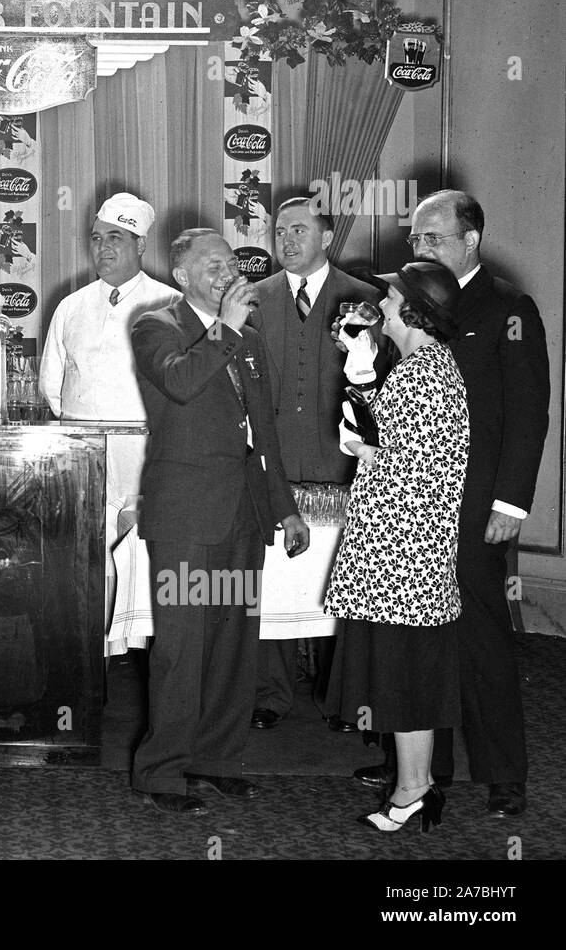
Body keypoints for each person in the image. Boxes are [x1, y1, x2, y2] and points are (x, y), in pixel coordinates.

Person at [355, 191, 549, 818]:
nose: (422, 247)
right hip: (415, 501)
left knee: (482, 636)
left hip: (475, 506)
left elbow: (528, 413)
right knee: (416, 637)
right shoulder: (406, 308)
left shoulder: (509, 307)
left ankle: (502, 772)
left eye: (434, 237)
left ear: (472, 239)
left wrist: (511, 504)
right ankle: (420, 768)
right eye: (415, 238)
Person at [130, 228, 309, 815]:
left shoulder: (250, 341)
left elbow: (265, 436)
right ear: (181, 276)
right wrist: (226, 330)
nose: (226, 270)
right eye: (211, 264)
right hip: (185, 517)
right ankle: (162, 772)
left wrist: (285, 508)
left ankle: (215, 760)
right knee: (182, 647)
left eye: (230, 261)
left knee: (235, 645)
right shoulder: (156, 326)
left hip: (242, 516)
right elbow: (180, 383)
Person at [323, 262, 468, 832]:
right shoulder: (424, 368)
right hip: (407, 553)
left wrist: (362, 437)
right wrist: (360, 377)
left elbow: (396, 461)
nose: (380, 305)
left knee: (404, 680)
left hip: (401, 555)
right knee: (408, 679)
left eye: (390, 298)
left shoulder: (421, 375)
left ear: (413, 311)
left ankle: (413, 789)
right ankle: (416, 786)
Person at [246, 196, 382, 731]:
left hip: (344, 470)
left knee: (342, 585)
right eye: (280, 231)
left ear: (327, 237)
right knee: (274, 584)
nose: (287, 240)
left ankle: (342, 697)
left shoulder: (366, 299)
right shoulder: (253, 300)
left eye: (299, 230)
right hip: (274, 465)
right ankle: (269, 693)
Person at [39, 192, 177, 543]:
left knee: (138, 561)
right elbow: (51, 385)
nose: (103, 247)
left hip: (145, 458)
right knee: (81, 553)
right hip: (80, 458)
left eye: (115, 238)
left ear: (141, 244)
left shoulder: (171, 305)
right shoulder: (70, 306)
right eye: (97, 238)